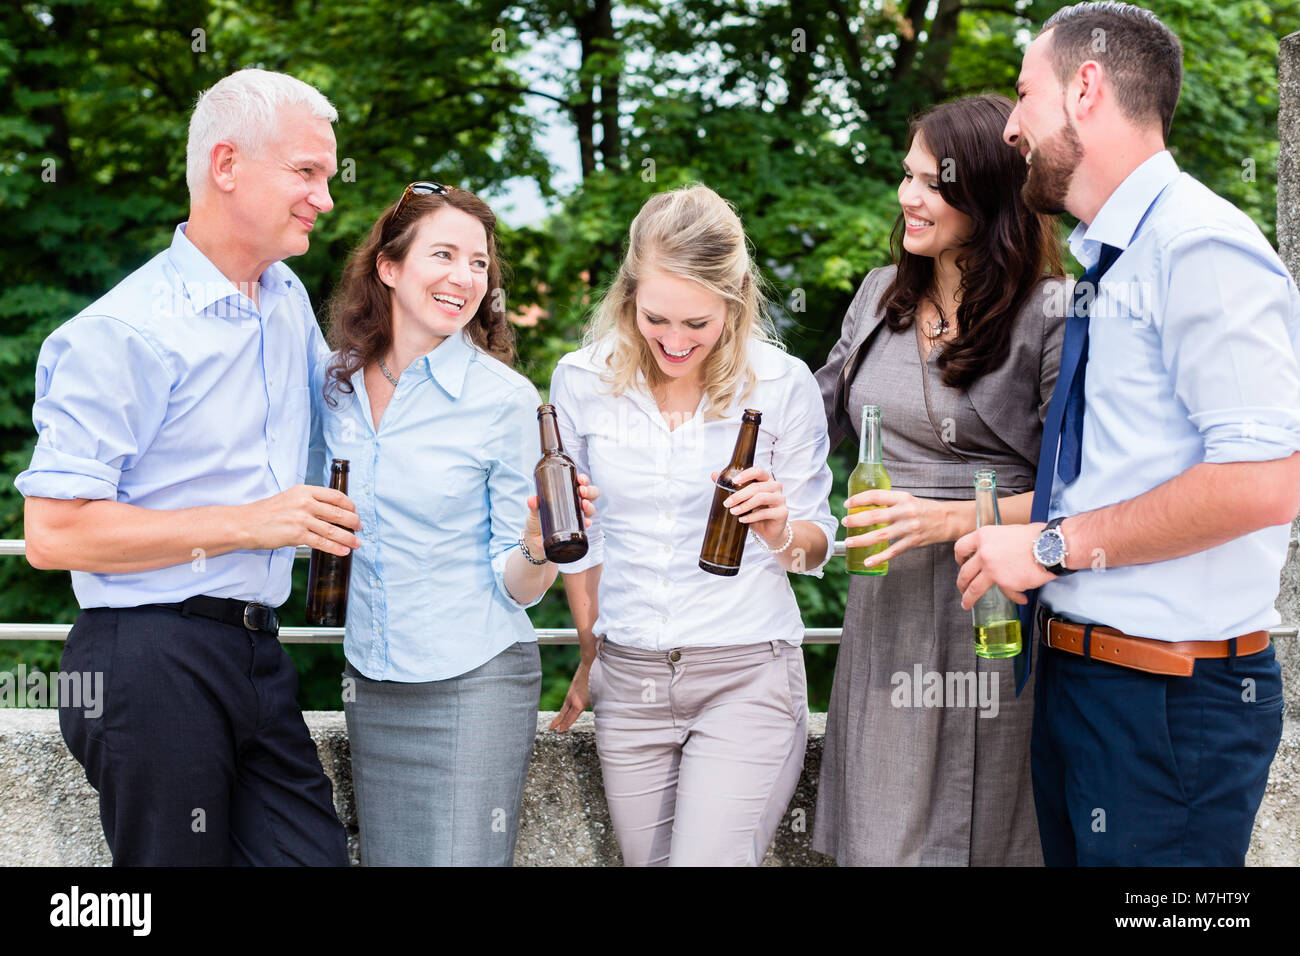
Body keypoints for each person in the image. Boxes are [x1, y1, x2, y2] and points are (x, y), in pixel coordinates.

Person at [955, 1, 1300, 866]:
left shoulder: (1200, 247)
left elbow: (1268, 480)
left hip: (1169, 704)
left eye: (1024, 97)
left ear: (1086, 86)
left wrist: (1053, 546)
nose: (1010, 130)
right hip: (1089, 685)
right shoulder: (1116, 257)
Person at [17, 69, 356, 866]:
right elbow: (52, 533)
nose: (326, 198)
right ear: (227, 165)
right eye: (306, 172)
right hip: (144, 659)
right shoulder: (122, 332)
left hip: (255, 654)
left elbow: (352, 418)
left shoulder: (285, 299)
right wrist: (251, 522)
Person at [545, 184, 838, 867]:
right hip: (630, 681)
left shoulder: (783, 383)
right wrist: (592, 656)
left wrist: (779, 530)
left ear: (734, 303)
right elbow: (578, 540)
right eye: (657, 319)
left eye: (698, 324)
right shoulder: (580, 380)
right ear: (628, 293)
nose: (675, 341)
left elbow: (816, 547)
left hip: (746, 675)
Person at [810, 94, 1068, 866]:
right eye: (906, 176)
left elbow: (1080, 495)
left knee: (992, 832)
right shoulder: (878, 294)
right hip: (885, 609)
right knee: (883, 836)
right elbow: (805, 421)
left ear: (987, 193)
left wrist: (944, 517)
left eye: (933, 182)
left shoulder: (1051, 312)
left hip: (995, 606)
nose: (908, 198)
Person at [316, 181, 598, 866]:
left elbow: (519, 589)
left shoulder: (501, 400)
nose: (465, 277)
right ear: (388, 266)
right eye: (444, 254)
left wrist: (536, 548)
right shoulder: (334, 385)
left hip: (474, 678)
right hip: (373, 679)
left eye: (479, 263)